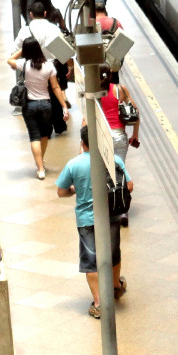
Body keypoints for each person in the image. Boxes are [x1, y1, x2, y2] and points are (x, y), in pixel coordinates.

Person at [56, 125, 130, 319]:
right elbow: (129, 185)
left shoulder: (74, 164)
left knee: (91, 261)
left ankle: (98, 304)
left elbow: (61, 191)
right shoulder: (113, 160)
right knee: (113, 254)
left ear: (83, 143)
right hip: (110, 216)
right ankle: (115, 287)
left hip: (86, 220)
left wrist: (75, 190)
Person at [7, 38, 70, 179]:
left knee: (34, 137)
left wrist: (21, 50)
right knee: (44, 136)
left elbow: (9, 60)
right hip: (46, 105)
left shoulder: (24, 64)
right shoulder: (49, 66)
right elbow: (55, 87)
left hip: (29, 105)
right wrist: (64, 106)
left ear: (26, 51)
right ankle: (41, 160)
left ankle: (40, 169)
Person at [11, 1, 72, 134]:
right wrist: (70, 66)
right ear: (45, 13)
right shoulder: (53, 29)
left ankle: (45, 129)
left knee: (38, 96)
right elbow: (63, 50)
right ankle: (59, 126)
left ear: (31, 14)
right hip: (52, 66)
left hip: (33, 67)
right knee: (55, 93)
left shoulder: (25, 31)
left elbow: (15, 49)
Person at [90, 64, 139, 224]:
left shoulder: (93, 92)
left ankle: (107, 206)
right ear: (110, 74)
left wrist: (83, 144)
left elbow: (87, 119)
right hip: (119, 136)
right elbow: (135, 111)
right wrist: (135, 134)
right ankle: (123, 210)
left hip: (103, 137)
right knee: (120, 172)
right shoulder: (120, 89)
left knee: (103, 173)